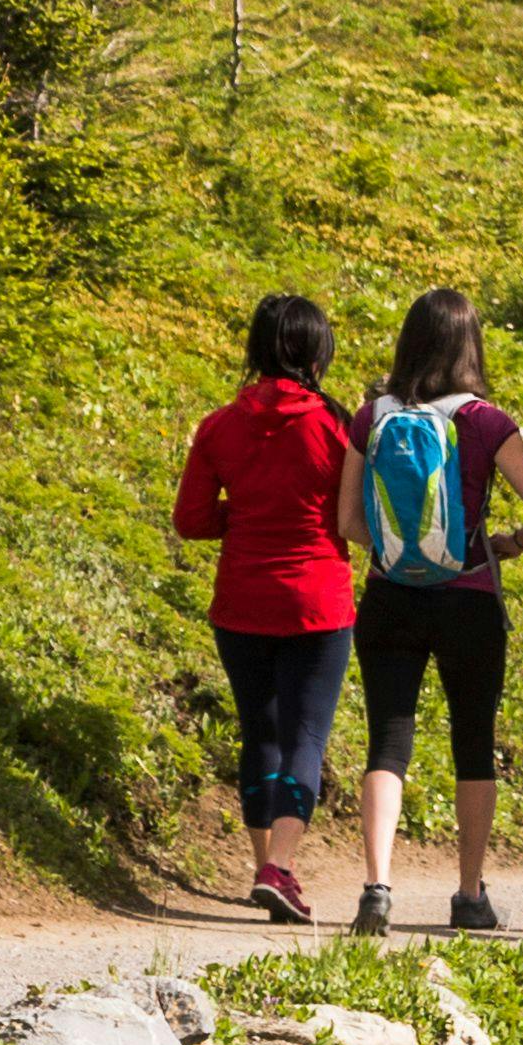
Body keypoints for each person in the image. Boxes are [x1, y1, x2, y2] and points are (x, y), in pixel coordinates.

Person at [337, 282, 523, 933]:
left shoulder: (371, 417)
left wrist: (393, 550)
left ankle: (377, 887)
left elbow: (348, 519)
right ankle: (468, 896)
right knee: (473, 745)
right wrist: (510, 544)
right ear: (471, 346)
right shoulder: (485, 421)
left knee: (387, 746)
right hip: (468, 601)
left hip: (388, 598)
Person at [170, 291, 359, 922]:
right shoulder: (336, 426)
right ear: (317, 350)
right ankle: (279, 867)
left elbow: (192, 520)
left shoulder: (220, 425)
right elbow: (354, 516)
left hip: (242, 600)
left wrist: (248, 513)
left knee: (261, 733)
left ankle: (265, 867)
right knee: (306, 733)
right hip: (318, 601)